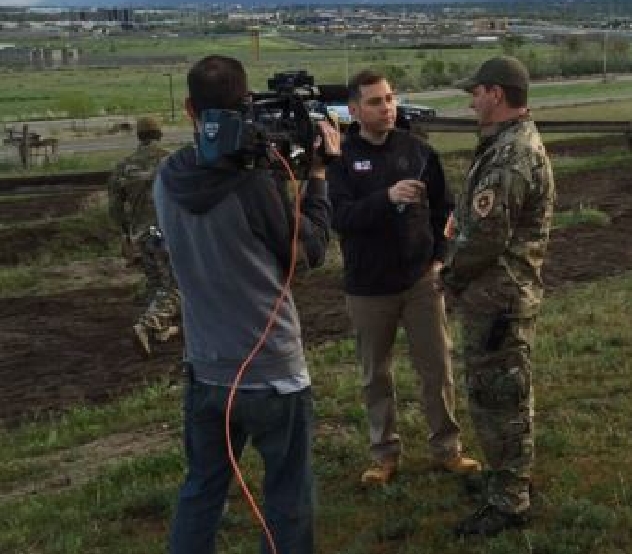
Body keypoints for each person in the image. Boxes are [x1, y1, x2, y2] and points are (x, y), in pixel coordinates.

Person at [154, 55, 338, 554]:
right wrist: (318, 177)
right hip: (272, 372)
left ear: (190, 109)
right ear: (248, 106)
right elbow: (305, 254)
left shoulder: (166, 177)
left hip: (206, 369)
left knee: (201, 491)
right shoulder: (254, 186)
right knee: (287, 496)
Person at [327, 69, 480, 485]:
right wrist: (386, 198)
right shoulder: (341, 159)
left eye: (390, 98)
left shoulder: (418, 151)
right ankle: (384, 455)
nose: (387, 107)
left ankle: (447, 449)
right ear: (355, 110)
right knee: (376, 374)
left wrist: (438, 258)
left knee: (437, 367)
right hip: (368, 287)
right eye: (375, 102)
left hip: (419, 282)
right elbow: (340, 218)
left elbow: (444, 210)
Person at [441, 56, 556, 537]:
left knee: (500, 398)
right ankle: (507, 482)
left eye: (476, 92)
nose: (471, 100)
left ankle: (510, 501)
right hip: (500, 296)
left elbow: (488, 237)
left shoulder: (510, 154)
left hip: (499, 299)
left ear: (497, 94)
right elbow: (484, 223)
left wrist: (447, 273)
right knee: (500, 393)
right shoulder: (505, 146)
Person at [105, 115, 180, 357]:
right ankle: (149, 325)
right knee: (176, 284)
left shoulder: (123, 166)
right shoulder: (172, 161)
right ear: (159, 134)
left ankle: (162, 330)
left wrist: (126, 235)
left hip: (141, 234)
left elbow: (115, 208)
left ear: (138, 136)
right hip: (168, 231)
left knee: (156, 282)